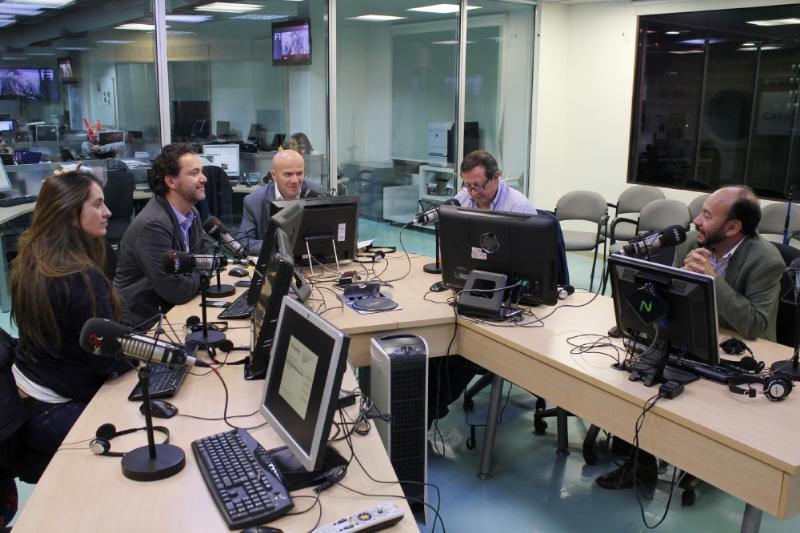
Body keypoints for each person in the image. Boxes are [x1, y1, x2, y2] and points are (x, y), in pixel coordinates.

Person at [597, 185, 784, 490]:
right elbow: (669, 296)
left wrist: (713, 281)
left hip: (738, 356)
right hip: (690, 341)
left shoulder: (766, 260)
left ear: (733, 227)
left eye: (707, 215)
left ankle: (701, 460)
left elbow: (756, 326)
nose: (696, 220)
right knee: (636, 373)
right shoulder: (690, 244)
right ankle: (640, 461)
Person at [1, 168, 130, 525]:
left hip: (26, 394)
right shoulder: (80, 276)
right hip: (52, 408)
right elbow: (106, 362)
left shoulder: (30, 256)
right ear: (71, 213)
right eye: (97, 204)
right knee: (142, 440)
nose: (107, 212)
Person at [429, 150, 539, 424]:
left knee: (458, 353)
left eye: (478, 185)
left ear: (497, 178)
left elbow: (531, 266)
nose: (472, 191)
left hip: (509, 296)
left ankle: (428, 411)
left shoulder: (519, 207)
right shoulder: (464, 198)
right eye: (467, 184)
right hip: (470, 285)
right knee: (434, 349)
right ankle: (424, 410)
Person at [114, 144, 208, 327]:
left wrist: (200, 270)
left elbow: (203, 261)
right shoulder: (153, 225)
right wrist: (203, 274)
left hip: (172, 312)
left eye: (201, 172)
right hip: (142, 324)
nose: (203, 178)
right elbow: (177, 290)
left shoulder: (191, 213)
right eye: (194, 173)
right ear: (171, 182)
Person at [239, 148, 320, 255]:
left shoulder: (315, 191)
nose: (295, 180)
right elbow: (244, 242)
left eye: (299, 173)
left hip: (309, 261)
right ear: (274, 175)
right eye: (288, 174)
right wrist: (281, 247)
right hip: (275, 262)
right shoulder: (254, 201)